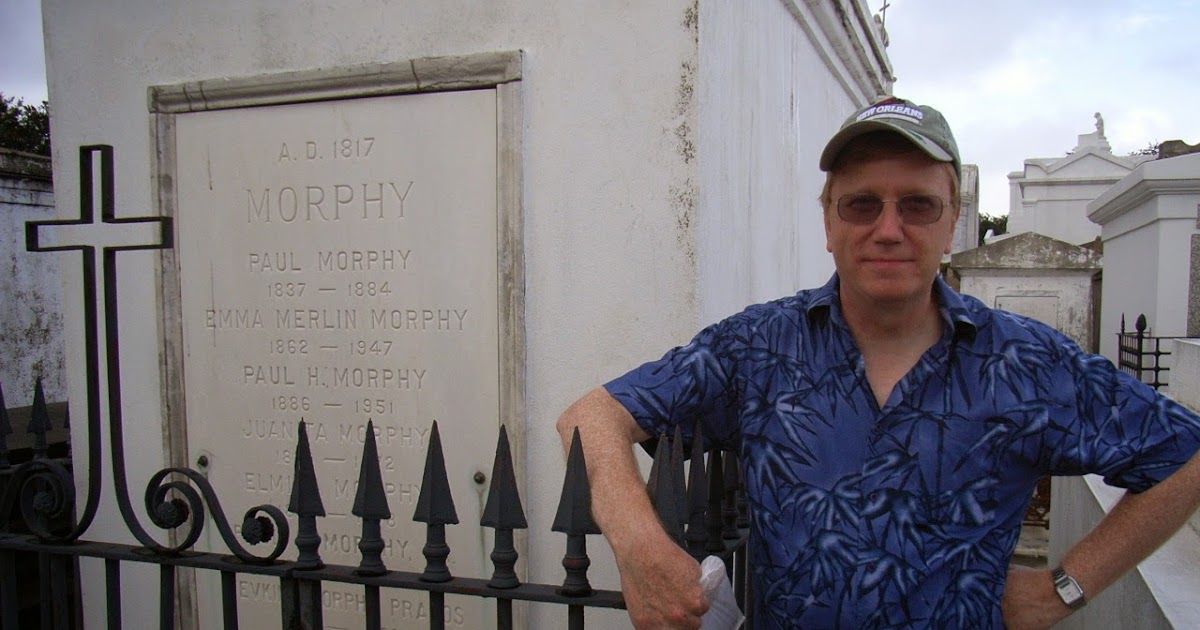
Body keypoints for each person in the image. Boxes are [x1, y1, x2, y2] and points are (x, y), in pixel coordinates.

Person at [556, 96, 1200, 629]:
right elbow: (590, 417)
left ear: (951, 224)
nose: (888, 228)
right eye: (861, 204)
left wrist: (1063, 588)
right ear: (829, 224)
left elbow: (1185, 459)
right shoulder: (760, 347)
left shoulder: (1025, 364)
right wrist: (640, 546)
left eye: (917, 205)